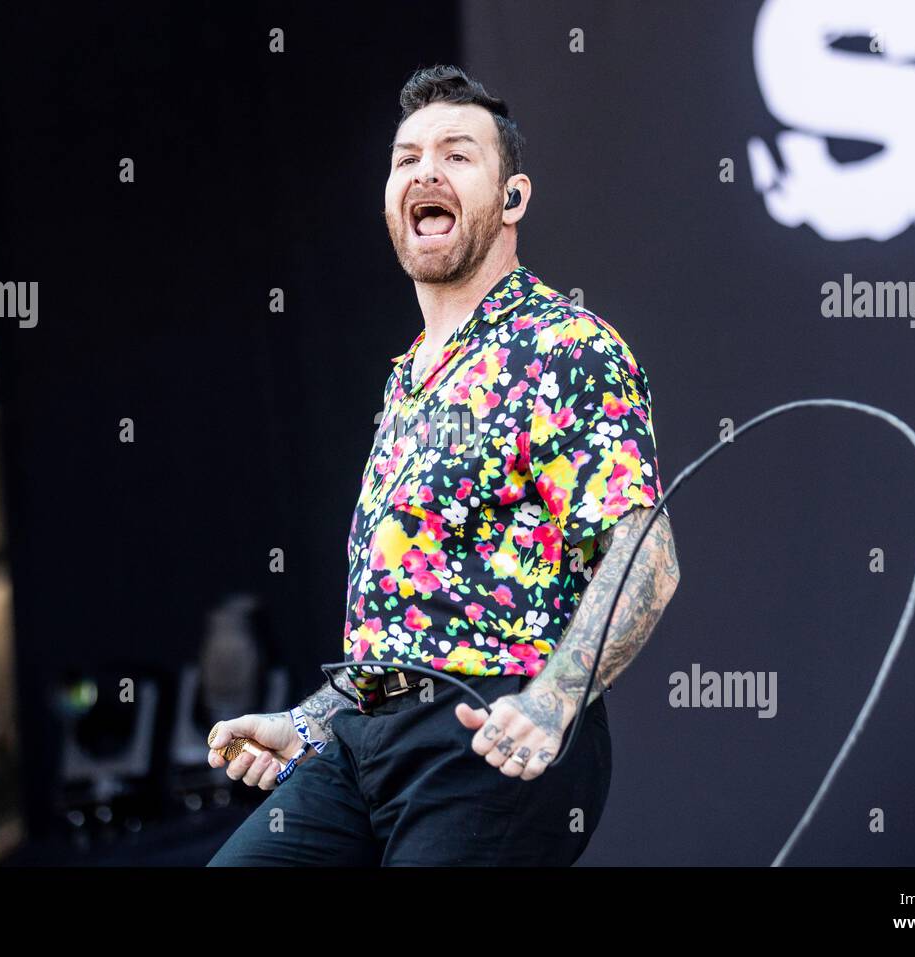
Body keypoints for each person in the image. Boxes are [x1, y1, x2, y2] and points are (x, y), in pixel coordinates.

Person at [207, 64, 680, 866]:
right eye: (406, 159)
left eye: (457, 155)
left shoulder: (561, 346)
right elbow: (413, 618)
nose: (424, 170)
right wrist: (310, 721)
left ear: (513, 199)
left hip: (486, 735)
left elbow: (649, 557)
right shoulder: (408, 377)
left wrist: (556, 696)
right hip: (361, 741)